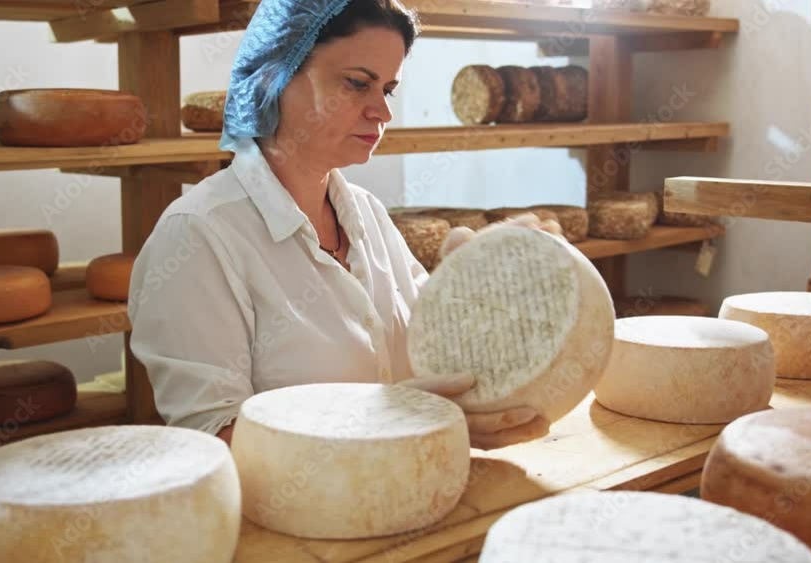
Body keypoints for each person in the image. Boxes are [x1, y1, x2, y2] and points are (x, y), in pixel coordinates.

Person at [127, 0, 560, 449]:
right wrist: (392, 424)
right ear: (276, 75)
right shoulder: (199, 236)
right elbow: (216, 440)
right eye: (357, 84)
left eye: (387, 89)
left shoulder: (365, 214)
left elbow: (432, 353)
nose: (383, 112)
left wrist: (481, 285)